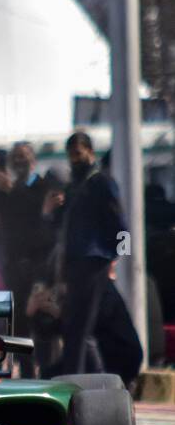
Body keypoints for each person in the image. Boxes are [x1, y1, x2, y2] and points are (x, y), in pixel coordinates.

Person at [52, 130, 143, 385]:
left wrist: (117, 259)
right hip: (75, 264)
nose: (75, 160)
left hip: (94, 263)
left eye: (79, 154)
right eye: (71, 155)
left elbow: (121, 225)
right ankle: (100, 380)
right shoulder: (73, 186)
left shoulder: (101, 182)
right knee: (85, 327)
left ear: (90, 153)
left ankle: (74, 381)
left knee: (79, 328)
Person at [0, 143, 60, 372]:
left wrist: (15, 189)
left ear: (33, 160)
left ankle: (47, 371)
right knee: (18, 322)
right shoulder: (8, 191)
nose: (19, 162)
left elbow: (46, 225)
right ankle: (25, 371)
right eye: (15, 158)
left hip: (40, 265)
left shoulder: (44, 187)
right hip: (14, 266)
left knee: (42, 321)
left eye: (23, 157)